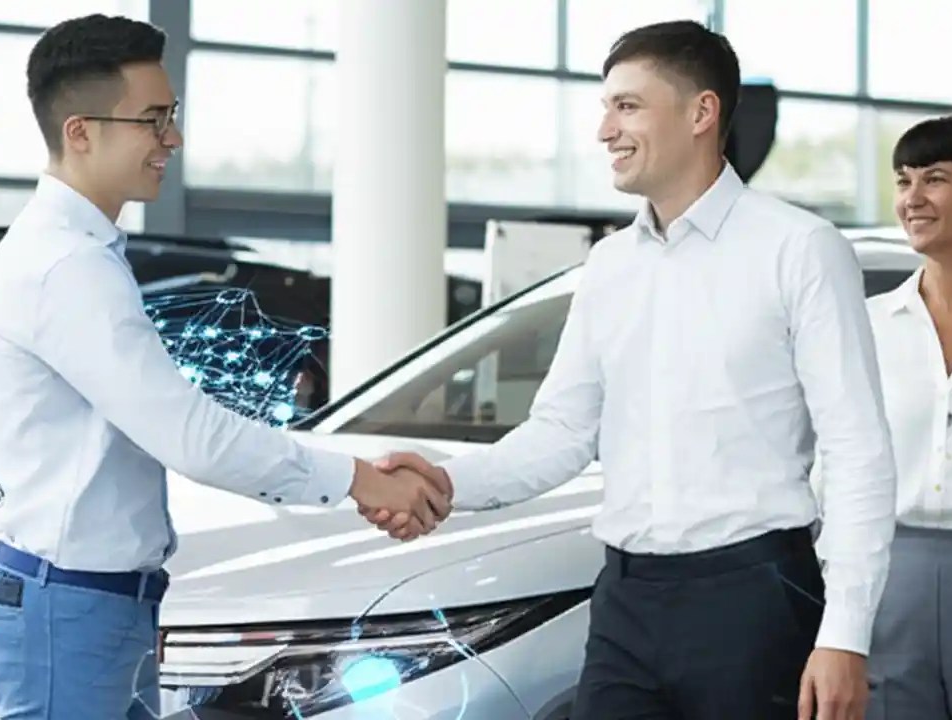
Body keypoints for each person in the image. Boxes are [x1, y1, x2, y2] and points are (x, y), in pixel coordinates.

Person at [365, 19, 897, 720]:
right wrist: (444, 481)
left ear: (702, 112)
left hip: (753, 596)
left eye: (627, 105)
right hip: (625, 600)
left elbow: (859, 450)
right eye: (605, 106)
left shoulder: (798, 248)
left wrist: (846, 636)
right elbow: (559, 433)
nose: (604, 130)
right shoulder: (610, 265)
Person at [0, 14, 450, 720]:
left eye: (173, 115)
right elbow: (188, 433)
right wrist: (359, 479)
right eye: (152, 119)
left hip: (91, 610)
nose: (174, 139)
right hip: (67, 613)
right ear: (81, 131)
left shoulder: (79, 252)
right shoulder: (66, 266)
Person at [859, 114, 952, 719]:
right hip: (891, 575)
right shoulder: (867, 326)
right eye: (903, 180)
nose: (912, 199)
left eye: (934, 179)